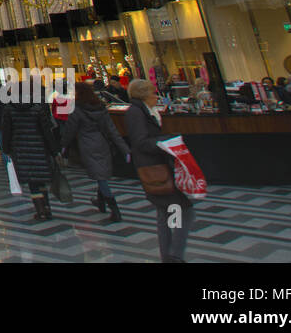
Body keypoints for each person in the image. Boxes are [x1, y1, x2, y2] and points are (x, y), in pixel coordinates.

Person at [126, 78, 194, 262]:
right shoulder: (136, 112)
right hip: (153, 168)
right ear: (144, 95)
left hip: (157, 167)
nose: (156, 96)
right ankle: (174, 254)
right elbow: (140, 142)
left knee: (165, 212)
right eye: (153, 93)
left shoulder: (145, 111)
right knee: (181, 210)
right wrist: (167, 143)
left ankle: (169, 255)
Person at [61, 81, 129, 222]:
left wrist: (63, 145)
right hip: (103, 143)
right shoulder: (100, 107)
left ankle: (114, 208)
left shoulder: (77, 109)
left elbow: (70, 130)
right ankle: (101, 202)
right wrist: (124, 149)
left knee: (100, 177)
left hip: (87, 144)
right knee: (100, 173)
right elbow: (112, 130)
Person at [1, 83, 57, 222]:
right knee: (41, 178)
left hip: (20, 148)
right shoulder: (37, 107)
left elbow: (7, 131)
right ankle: (47, 207)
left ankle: (40, 210)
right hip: (39, 147)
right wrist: (53, 149)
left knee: (32, 180)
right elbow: (46, 130)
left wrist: (6, 148)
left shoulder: (9, 109)